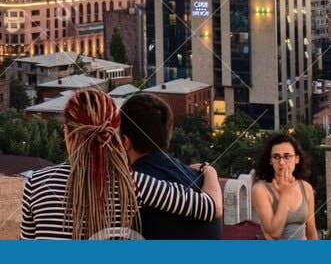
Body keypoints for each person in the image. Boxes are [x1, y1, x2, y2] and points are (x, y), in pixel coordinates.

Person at [20, 88, 222, 239]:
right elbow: (211, 208)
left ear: (67, 133)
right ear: (114, 134)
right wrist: (208, 169)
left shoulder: (36, 183)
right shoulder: (134, 183)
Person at [118, 93, 221, 239]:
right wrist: (209, 170)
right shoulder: (202, 183)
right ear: (168, 134)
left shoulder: (128, 187)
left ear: (125, 142)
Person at [251, 132, 318, 240]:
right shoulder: (261, 189)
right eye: (276, 157)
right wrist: (285, 197)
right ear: (270, 161)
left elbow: (311, 230)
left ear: (296, 159)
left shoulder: (306, 187)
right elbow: (274, 233)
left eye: (287, 156)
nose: (281, 162)